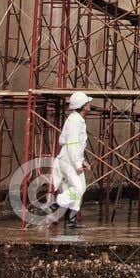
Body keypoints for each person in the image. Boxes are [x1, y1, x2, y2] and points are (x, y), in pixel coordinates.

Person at [53, 91, 91, 230]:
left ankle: (71, 220)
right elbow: (72, 143)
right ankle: (55, 205)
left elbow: (68, 141)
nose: (89, 104)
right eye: (87, 103)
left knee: (81, 188)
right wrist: (77, 164)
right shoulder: (75, 121)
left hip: (71, 158)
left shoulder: (76, 119)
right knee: (78, 188)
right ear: (83, 106)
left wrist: (82, 160)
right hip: (68, 160)